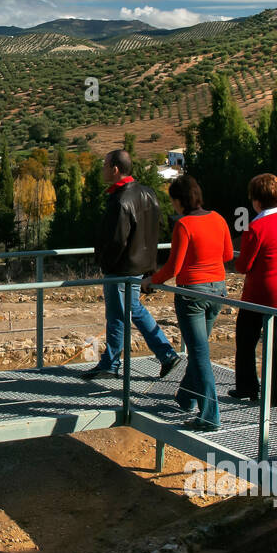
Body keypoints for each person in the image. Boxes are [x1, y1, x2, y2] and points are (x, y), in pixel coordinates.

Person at [82, 149, 180, 381]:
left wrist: (106, 264)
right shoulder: (148, 193)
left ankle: (111, 364)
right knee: (133, 309)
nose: (103, 169)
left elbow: (117, 240)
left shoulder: (120, 199)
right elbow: (153, 232)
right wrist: (151, 266)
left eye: (105, 165)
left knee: (116, 315)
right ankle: (166, 355)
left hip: (121, 268)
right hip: (141, 266)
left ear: (115, 169)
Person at [147, 175, 233, 430]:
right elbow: (227, 254)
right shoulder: (218, 218)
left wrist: (151, 280)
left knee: (199, 353)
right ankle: (185, 397)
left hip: (192, 294)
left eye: (173, 200)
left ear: (179, 200)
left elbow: (174, 265)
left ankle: (210, 415)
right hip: (217, 290)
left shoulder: (184, 225)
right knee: (199, 349)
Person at [231, 173, 277, 407]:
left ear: (257, 201)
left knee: (245, 339)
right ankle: (276, 395)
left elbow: (243, 265)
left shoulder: (255, 227)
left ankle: (247, 386)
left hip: (259, 294)